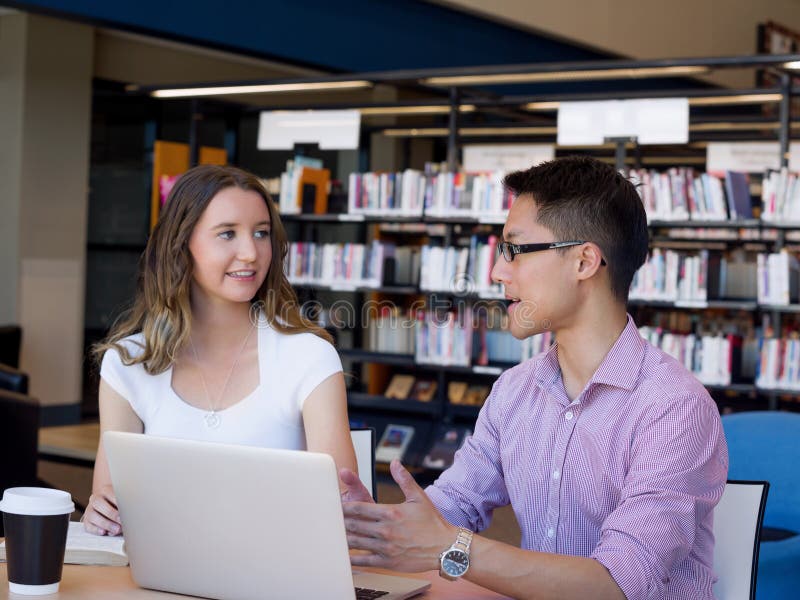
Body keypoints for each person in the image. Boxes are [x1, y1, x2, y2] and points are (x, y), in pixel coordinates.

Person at [341, 155, 728, 600]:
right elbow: (453, 508)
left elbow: (615, 585)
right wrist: (380, 529)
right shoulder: (516, 389)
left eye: (515, 250)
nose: (497, 271)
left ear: (584, 261)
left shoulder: (675, 409)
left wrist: (450, 545)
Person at [84, 164, 356, 536]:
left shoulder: (309, 357)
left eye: (261, 233)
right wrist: (101, 515)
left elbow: (343, 508)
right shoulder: (128, 364)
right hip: (161, 579)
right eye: (227, 234)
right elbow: (110, 503)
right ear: (182, 244)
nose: (251, 252)